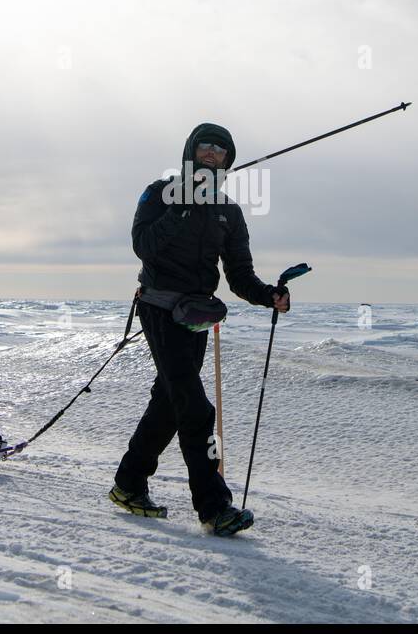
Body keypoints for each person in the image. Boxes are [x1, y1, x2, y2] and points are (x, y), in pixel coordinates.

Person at [110, 122, 289, 536]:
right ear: (191, 152)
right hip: (157, 308)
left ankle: (128, 484)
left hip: (196, 317)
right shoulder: (159, 193)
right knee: (195, 407)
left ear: (228, 161)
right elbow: (144, 246)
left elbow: (240, 275)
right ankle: (214, 508)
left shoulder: (228, 212)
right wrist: (186, 204)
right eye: (205, 147)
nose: (212, 154)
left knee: (170, 404)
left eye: (220, 151)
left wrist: (270, 296)